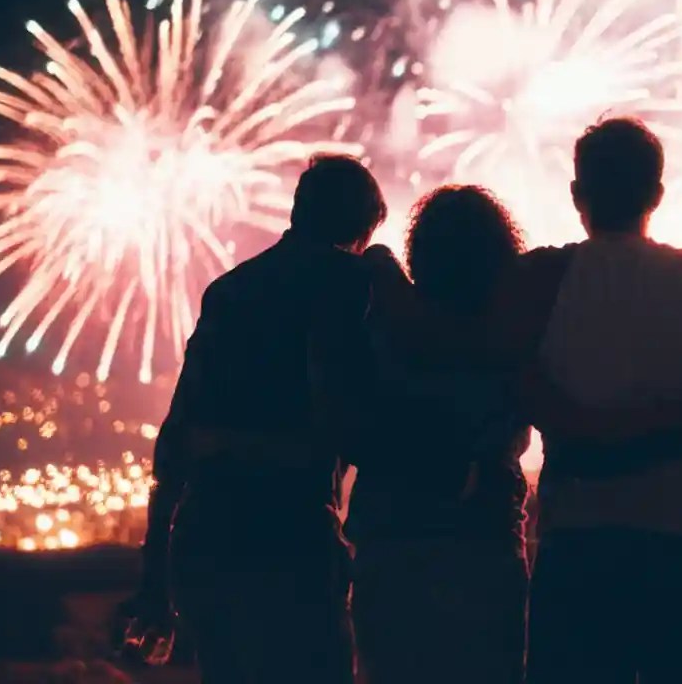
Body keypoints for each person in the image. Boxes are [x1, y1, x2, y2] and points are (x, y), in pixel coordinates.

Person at [494, 117, 682, 683]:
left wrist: (590, 431)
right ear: (657, 194)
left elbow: (508, 376)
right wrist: (678, 424)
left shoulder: (537, 277)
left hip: (580, 530)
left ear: (576, 194)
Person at [128, 155, 387, 684]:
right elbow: (361, 425)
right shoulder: (353, 283)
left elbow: (175, 440)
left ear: (296, 210)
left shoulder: (229, 292)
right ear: (361, 230)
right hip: (293, 537)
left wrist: (154, 578)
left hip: (210, 538)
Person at [347, 186, 531, 684]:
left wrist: (383, 264)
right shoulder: (513, 335)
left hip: (392, 539)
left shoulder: (381, 329)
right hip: (485, 541)